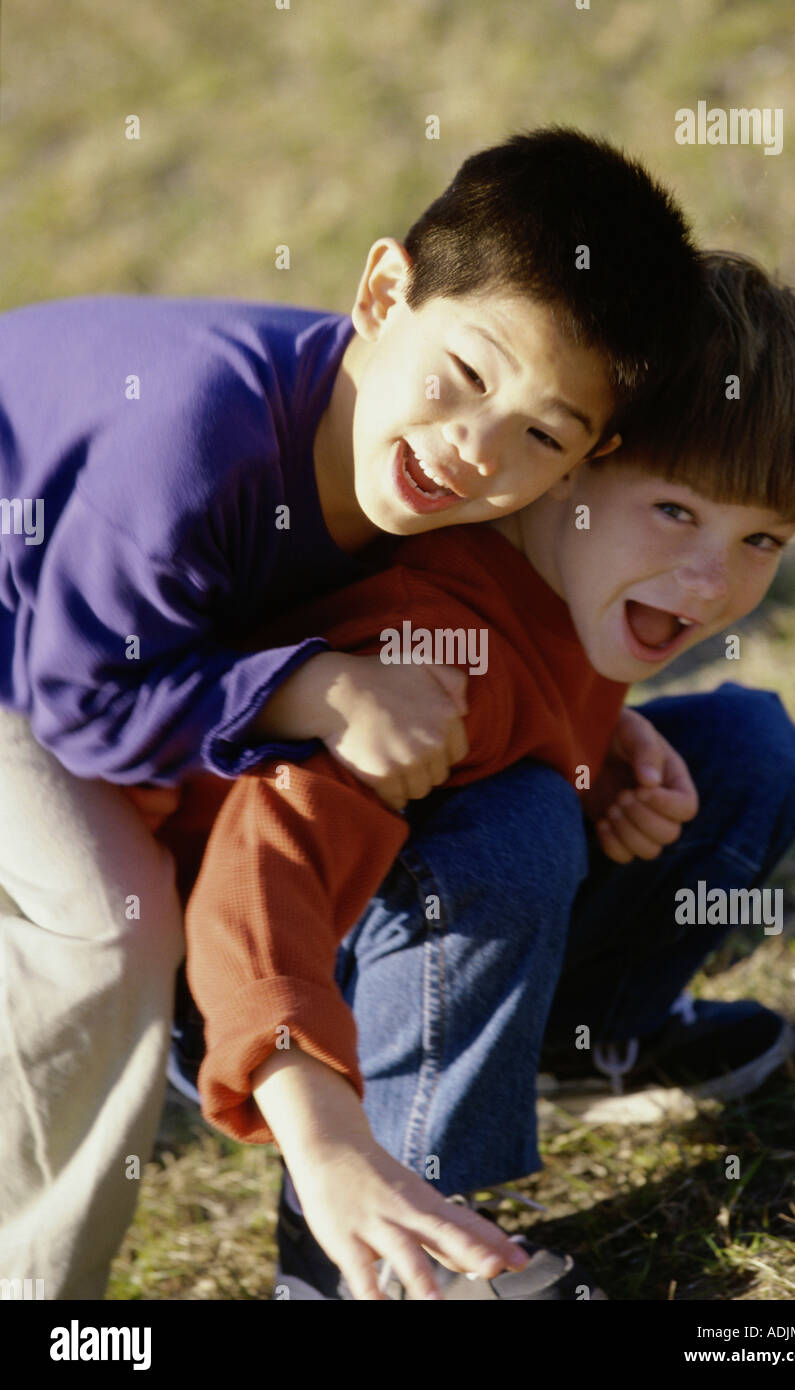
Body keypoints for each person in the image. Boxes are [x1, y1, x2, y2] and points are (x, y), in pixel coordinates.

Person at [0, 128, 701, 1298]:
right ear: (383, 294)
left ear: (585, 457)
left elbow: (479, 620)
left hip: (90, 617)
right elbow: (80, 699)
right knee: (106, 926)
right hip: (30, 641)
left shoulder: (422, 466)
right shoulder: (188, 447)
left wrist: (588, 720)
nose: (469, 452)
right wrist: (301, 685)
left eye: (540, 434)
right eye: (466, 374)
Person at [170, 253, 795, 1299]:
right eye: (675, 511)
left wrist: (602, 755)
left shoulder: (573, 576)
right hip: (262, 993)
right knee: (517, 824)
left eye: (760, 538)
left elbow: (526, 715)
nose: (710, 582)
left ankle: (576, 1045)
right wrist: (324, 1143)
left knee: (745, 749)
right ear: (570, 464)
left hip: (403, 931)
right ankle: (378, 1235)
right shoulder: (425, 646)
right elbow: (253, 880)